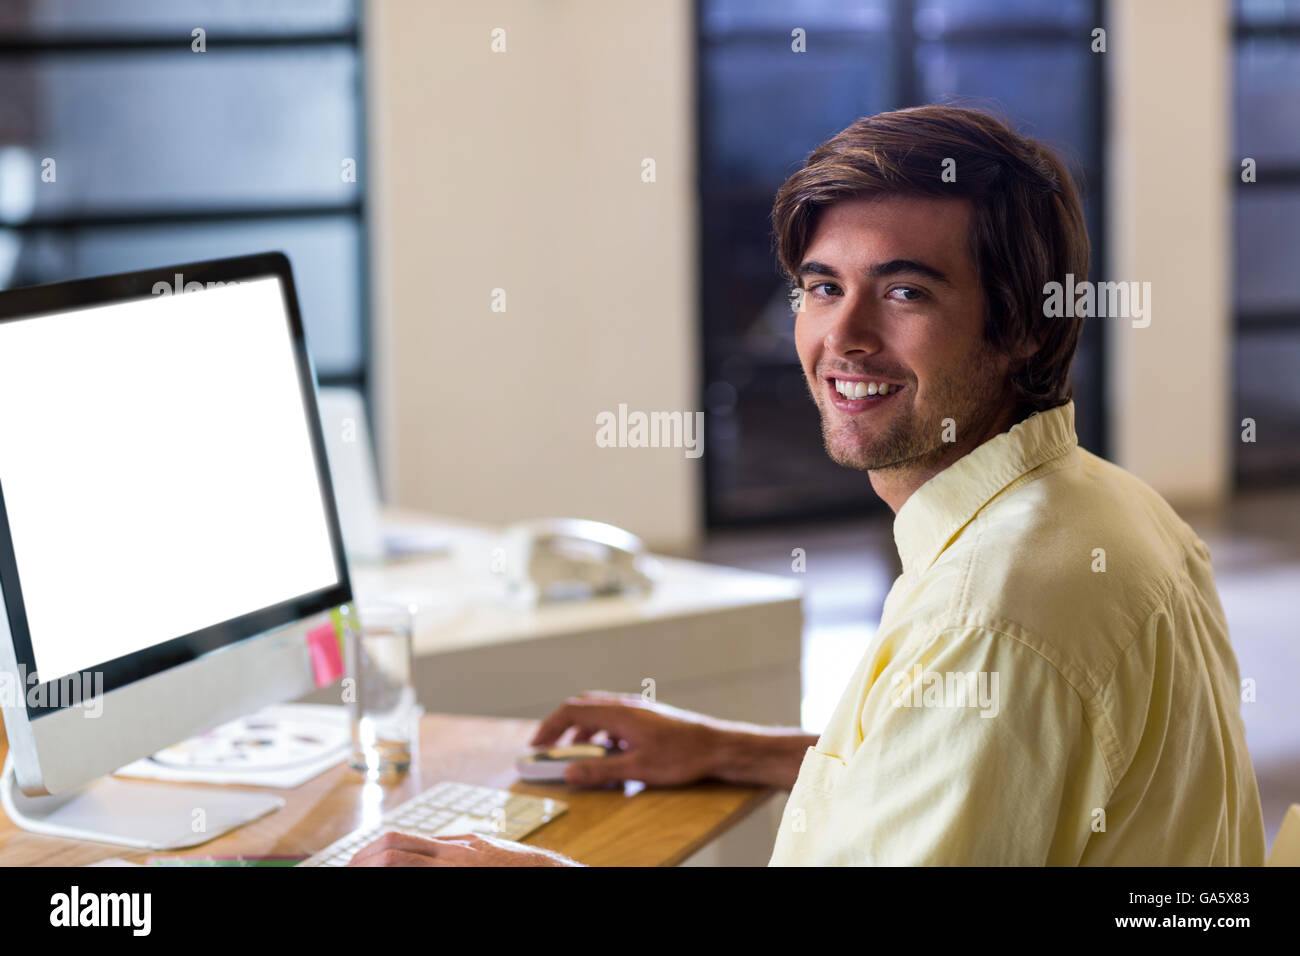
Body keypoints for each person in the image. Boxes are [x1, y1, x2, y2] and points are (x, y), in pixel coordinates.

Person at [350, 105, 1266, 867]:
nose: (846, 338)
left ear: (1024, 324)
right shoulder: (1100, 504)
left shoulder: (995, 615)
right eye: (823, 287)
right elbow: (961, 766)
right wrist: (730, 749)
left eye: (906, 293)